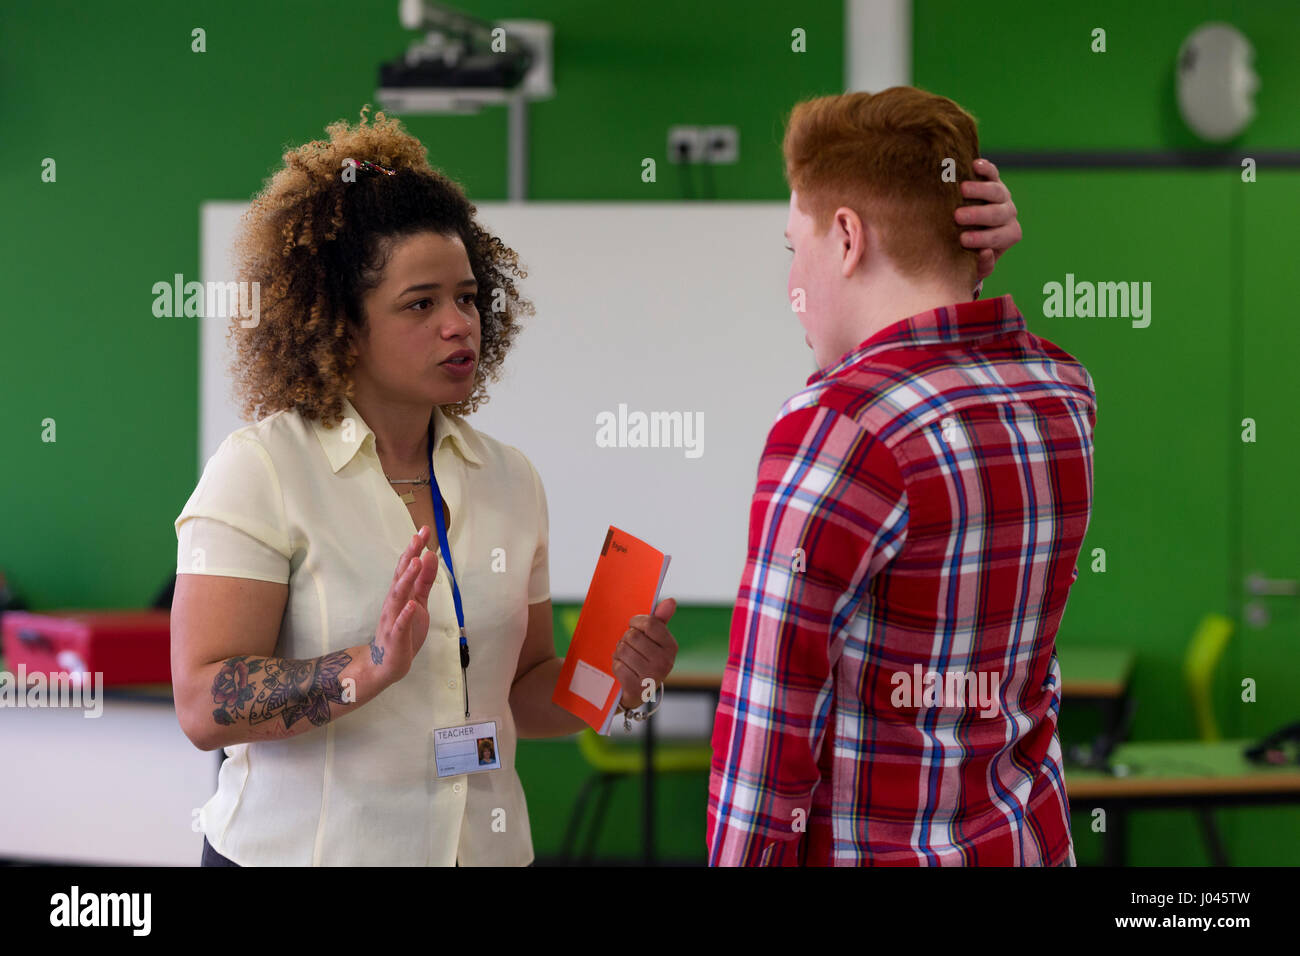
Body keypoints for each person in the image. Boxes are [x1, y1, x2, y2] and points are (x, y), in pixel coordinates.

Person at [171, 107, 680, 867]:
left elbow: (529, 695)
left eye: (469, 298)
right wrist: (368, 667)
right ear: (341, 325)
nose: (459, 325)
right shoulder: (262, 470)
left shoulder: (511, 478)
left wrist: (616, 681)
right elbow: (204, 703)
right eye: (422, 304)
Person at [706, 87, 1093, 866]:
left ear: (846, 237)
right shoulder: (1060, 389)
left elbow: (767, 733)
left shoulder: (839, 428)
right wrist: (962, 276)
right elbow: (945, 358)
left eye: (795, 249)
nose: (793, 290)